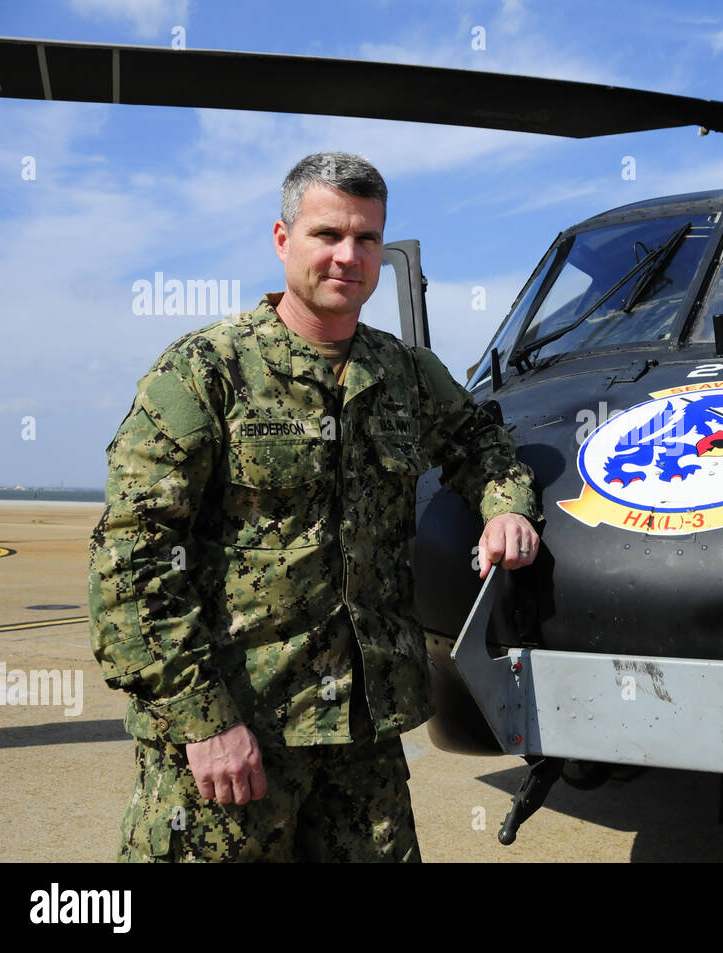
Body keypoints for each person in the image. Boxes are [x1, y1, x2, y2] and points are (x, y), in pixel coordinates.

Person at [89, 152, 541, 861]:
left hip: (364, 741)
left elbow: (484, 442)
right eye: (327, 234)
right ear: (282, 239)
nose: (347, 256)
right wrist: (203, 720)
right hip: (237, 737)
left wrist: (504, 506)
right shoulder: (206, 372)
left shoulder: (404, 375)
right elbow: (131, 562)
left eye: (366, 238)